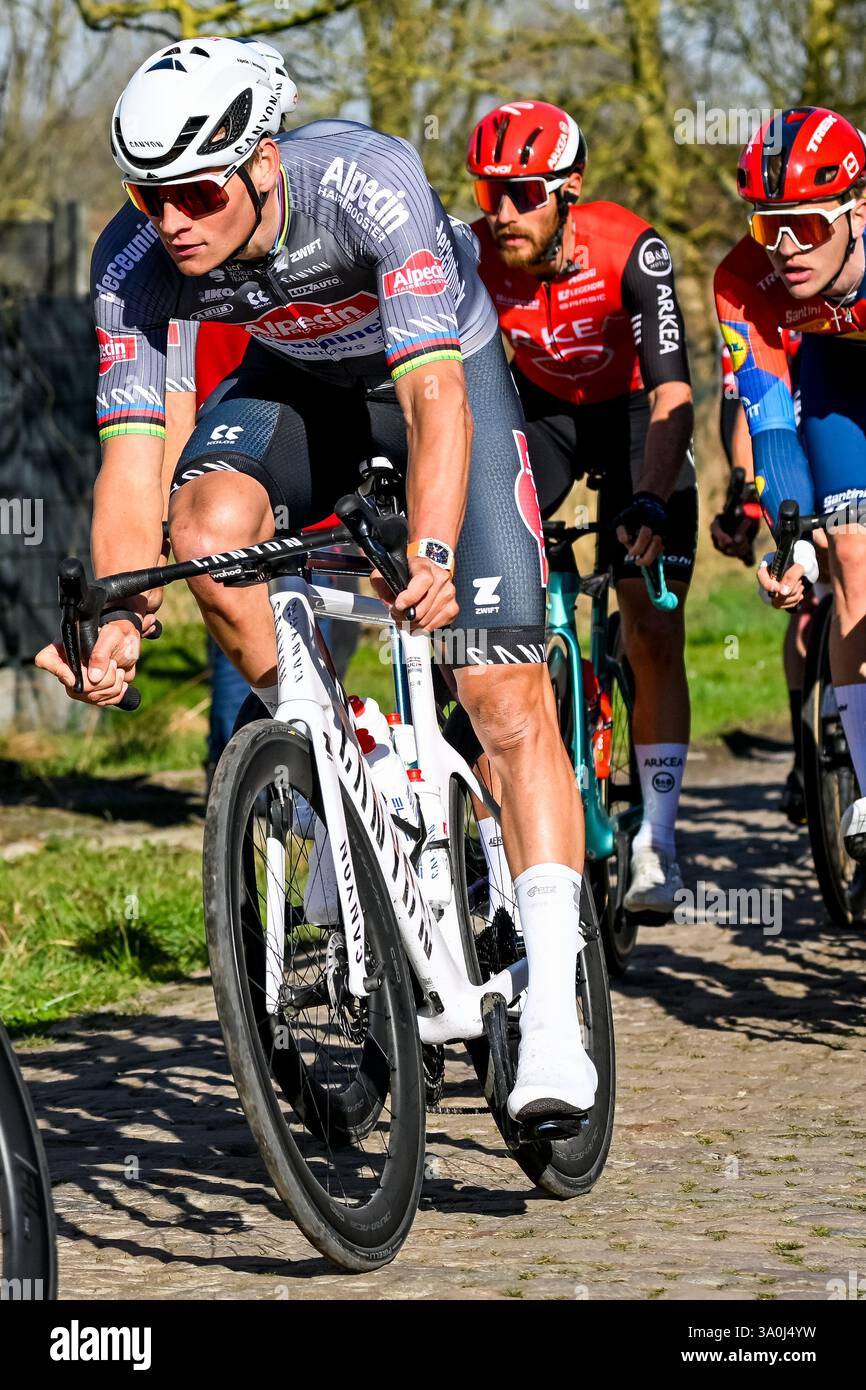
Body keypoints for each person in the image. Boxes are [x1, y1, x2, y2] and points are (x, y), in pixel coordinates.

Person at [36, 38, 597, 1124]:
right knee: (206, 532)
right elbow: (133, 462)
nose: (172, 221)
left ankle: (552, 1014)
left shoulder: (365, 181)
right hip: (300, 387)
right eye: (149, 196)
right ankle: (344, 747)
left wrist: (433, 553)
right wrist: (121, 615)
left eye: (197, 193)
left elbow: (436, 404)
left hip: (439, 379)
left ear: (261, 161)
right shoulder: (132, 260)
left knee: (497, 691)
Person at [466, 101, 696, 915]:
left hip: (635, 417)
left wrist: (652, 498)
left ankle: (658, 840)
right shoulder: (472, 255)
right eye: (489, 193)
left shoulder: (631, 249)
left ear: (568, 189)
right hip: (549, 417)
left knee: (651, 619)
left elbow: (672, 393)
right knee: (494, 579)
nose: (503, 213)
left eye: (523, 194)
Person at [714, 106, 866, 859]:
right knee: (851, 555)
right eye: (766, 226)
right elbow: (771, 427)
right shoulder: (744, 281)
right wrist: (794, 541)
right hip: (836, 380)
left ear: (857, 209)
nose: (784, 249)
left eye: (804, 225)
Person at [712, 331, 815, 825]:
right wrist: (746, 503)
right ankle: (804, 756)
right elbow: (743, 412)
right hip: (781, 426)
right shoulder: (751, 312)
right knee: (804, 604)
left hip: (833, 408)